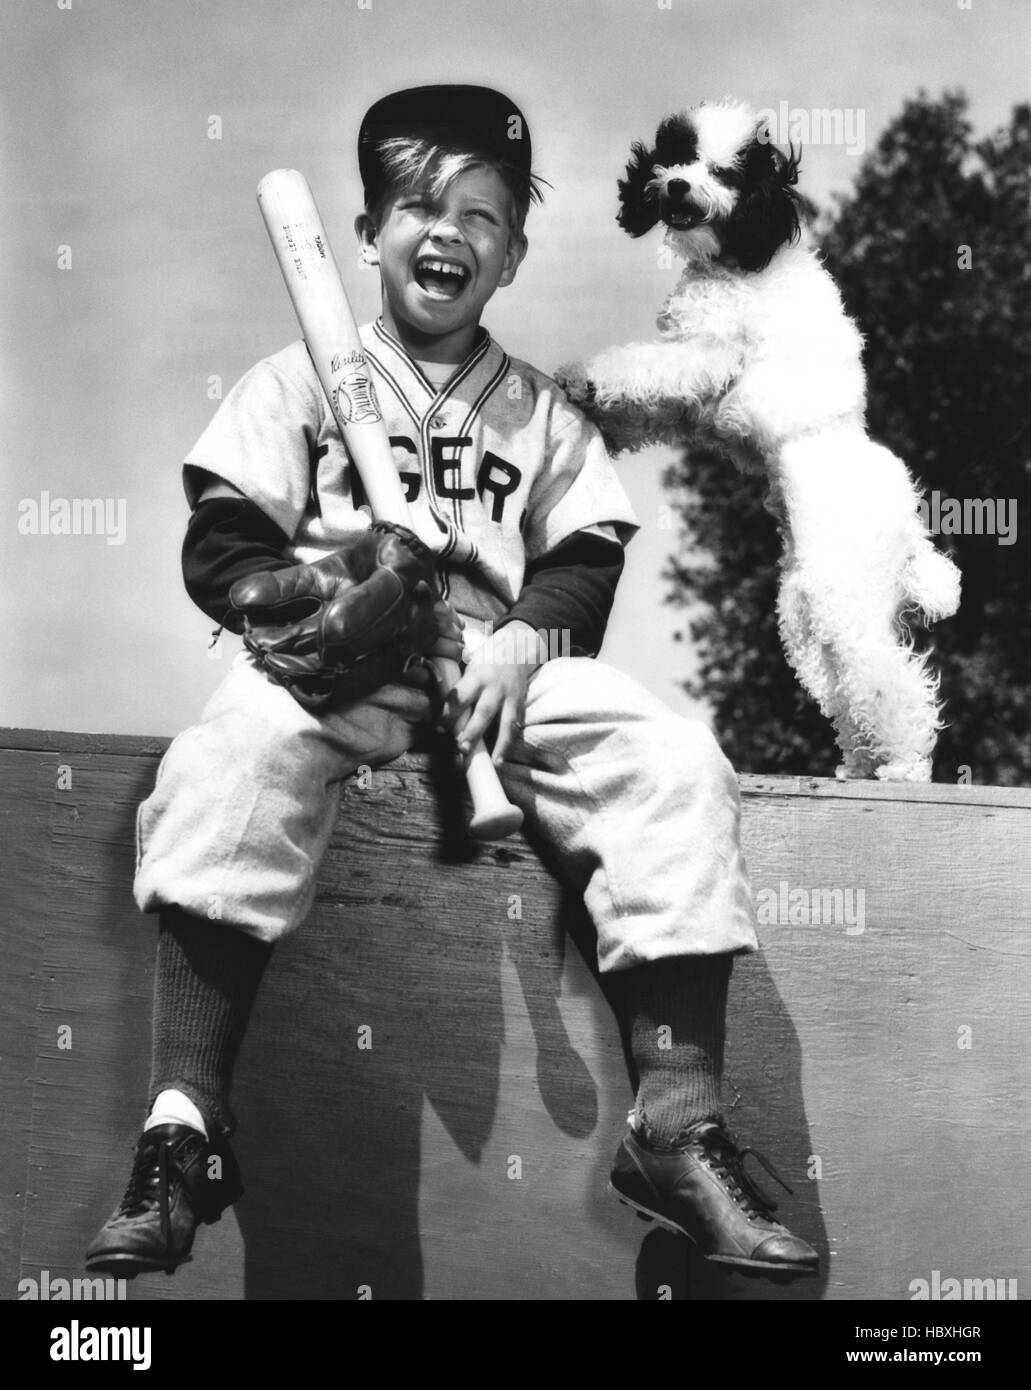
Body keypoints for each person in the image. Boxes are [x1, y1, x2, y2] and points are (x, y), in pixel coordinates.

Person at [85, 84, 818, 1284]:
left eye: (481, 215)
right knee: (228, 756)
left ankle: (675, 1125)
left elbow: (583, 553)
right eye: (419, 204)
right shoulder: (302, 376)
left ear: (515, 254)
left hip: (491, 670)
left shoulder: (535, 409)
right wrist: (312, 601)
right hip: (337, 667)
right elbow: (221, 544)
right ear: (368, 229)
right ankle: (184, 1124)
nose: (448, 233)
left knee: (670, 758)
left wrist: (533, 636)